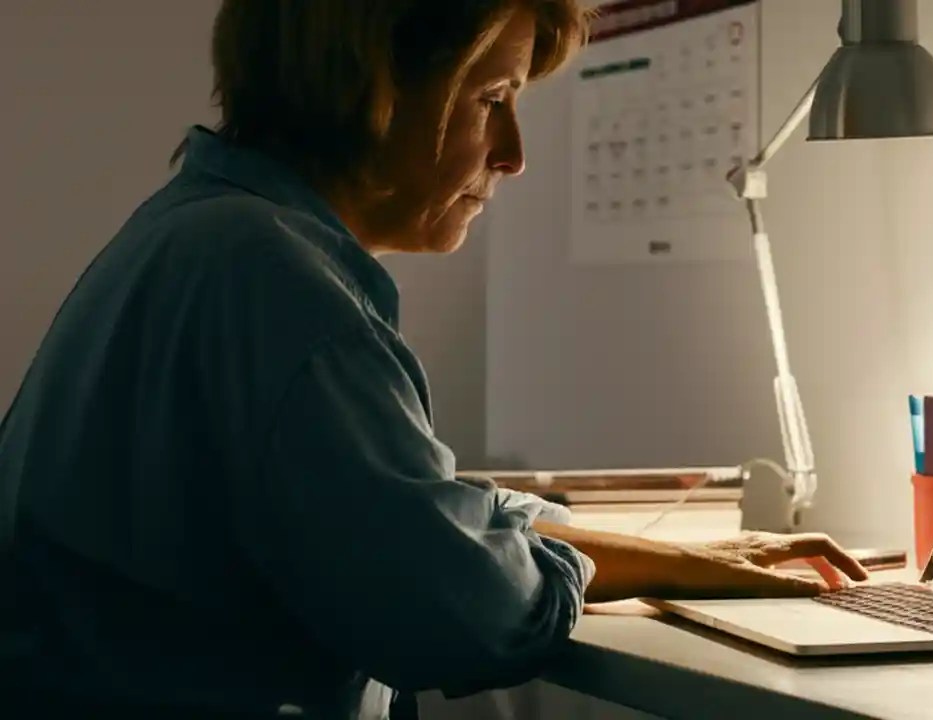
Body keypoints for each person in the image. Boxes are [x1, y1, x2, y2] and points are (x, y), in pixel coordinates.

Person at [0, 1, 866, 718]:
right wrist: (550, 563)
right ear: (369, 86)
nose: (514, 155)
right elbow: (462, 613)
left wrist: (686, 559)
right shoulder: (276, 285)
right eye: (492, 99)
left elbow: (419, 522)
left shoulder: (202, 229)